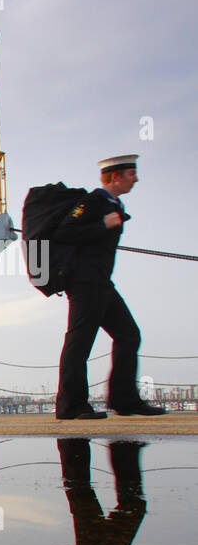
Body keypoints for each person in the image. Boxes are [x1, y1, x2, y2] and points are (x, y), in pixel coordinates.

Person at [53, 155, 165, 419]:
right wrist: (103, 224)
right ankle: (71, 406)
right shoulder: (92, 202)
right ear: (115, 177)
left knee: (128, 335)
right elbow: (63, 233)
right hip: (84, 283)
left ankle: (125, 401)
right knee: (79, 343)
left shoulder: (114, 203)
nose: (136, 179)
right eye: (131, 173)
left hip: (102, 282)